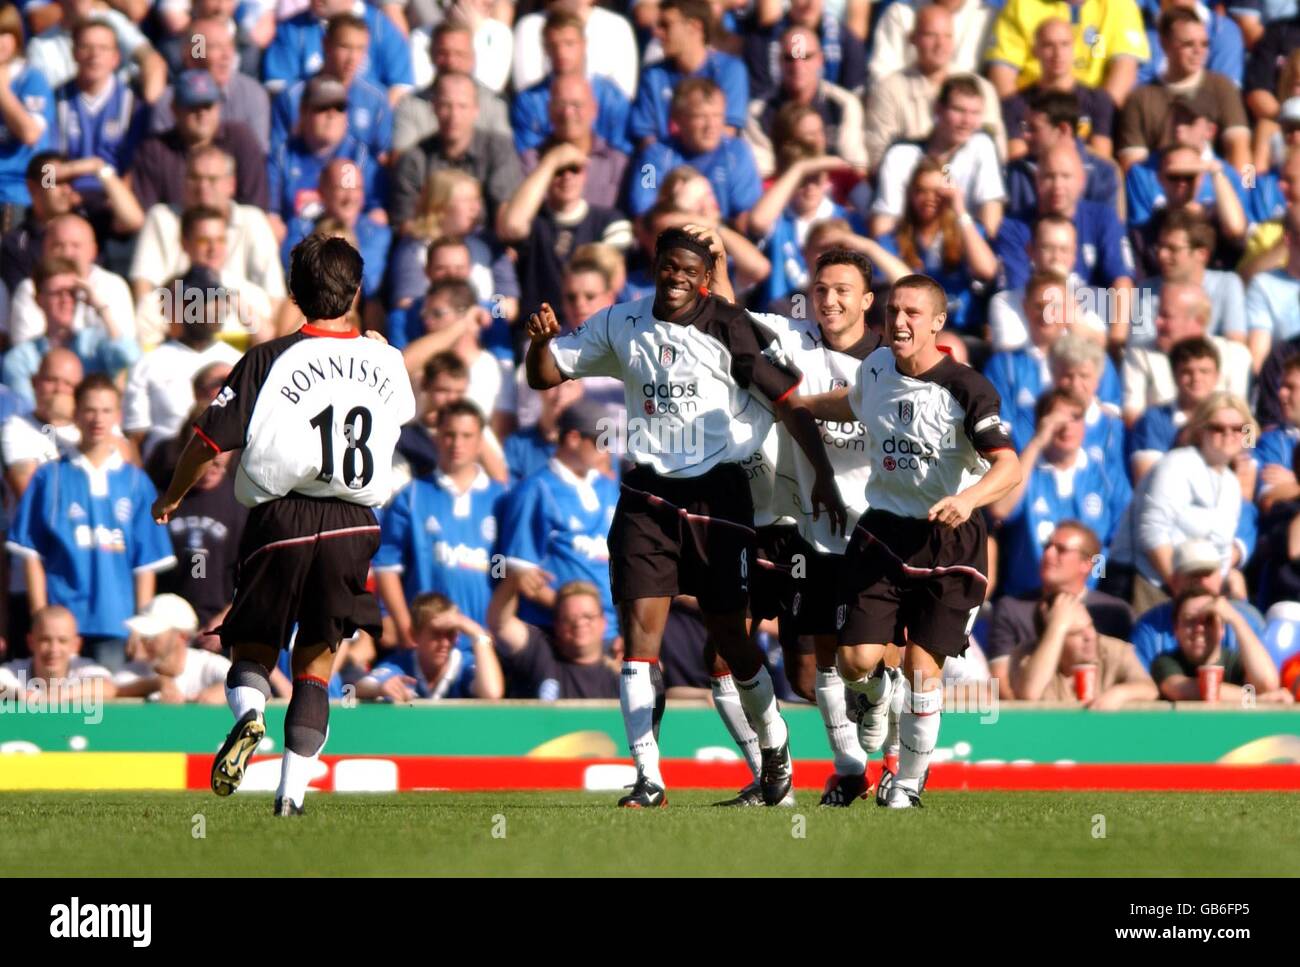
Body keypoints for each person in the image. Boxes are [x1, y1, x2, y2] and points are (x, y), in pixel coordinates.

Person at [524, 227, 846, 808]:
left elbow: (788, 402)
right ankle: (649, 779)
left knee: (729, 641)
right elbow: (545, 374)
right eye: (666, 266)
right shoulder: (621, 322)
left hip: (719, 498)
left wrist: (821, 475)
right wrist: (538, 346)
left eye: (687, 271)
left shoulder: (730, 327)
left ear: (703, 280)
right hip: (647, 497)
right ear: (654, 266)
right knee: (638, 640)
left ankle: (774, 742)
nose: (674, 277)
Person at [150, 234, 417, 817]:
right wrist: (379, 349)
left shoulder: (267, 359)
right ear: (357, 290)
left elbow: (206, 440)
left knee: (252, 649)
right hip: (354, 522)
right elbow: (398, 410)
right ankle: (290, 798)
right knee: (317, 664)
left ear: (294, 293)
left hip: (282, 515)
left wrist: (172, 496)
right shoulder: (386, 360)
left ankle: (250, 717)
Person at [791, 273, 1021, 808]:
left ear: (937, 323)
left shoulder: (968, 388)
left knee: (923, 667)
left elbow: (1008, 467)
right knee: (854, 663)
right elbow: (853, 404)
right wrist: (798, 405)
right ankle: (881, 694)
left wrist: (968, 499)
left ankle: (909, 784)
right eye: (894, 310)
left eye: (913, 313)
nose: (899, 322)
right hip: (885, 534)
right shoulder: (875, 368)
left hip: (950, 541)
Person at [8, 374, 176, 670]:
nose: (98, 419)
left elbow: (145, 563)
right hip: (62, 629)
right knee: (60, 710)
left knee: (107, 710)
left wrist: (139, 625)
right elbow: (31, 553)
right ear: (75, 414)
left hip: (116, 624)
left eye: (106, 410)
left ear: (118, 416)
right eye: (89, 410)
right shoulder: (50, 477)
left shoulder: (136, 483)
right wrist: (40, 616)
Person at [1108, 392, 1257, 610]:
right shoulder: (1176, 464)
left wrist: (1208, 594)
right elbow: (1152, 534)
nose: (1229, 434)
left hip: (1187, 589)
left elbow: (1222, 551)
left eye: (1238, 428)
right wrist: (1184, 591)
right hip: (1139, 582)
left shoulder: (1231, 484)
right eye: (1217, 428)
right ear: (1200, 430)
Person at [374, 399, 507, 642]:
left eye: (467, 436)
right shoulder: (412, 495)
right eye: (449, 435)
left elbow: (509, 572)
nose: (457, 443)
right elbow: (386, 566)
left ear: (480, 442)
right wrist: (405, 628)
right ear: (436, 438)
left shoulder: (502, 499)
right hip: (427, 643)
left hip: (484, 641)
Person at [989, 388, 1131, 598]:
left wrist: (1093, 580)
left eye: (1075, 418)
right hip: (1025, 597)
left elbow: (1113, 542)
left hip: (1084, 600)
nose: (1067, 428)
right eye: (1057, 420)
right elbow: (1000, 510)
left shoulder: (1107, 478)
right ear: (1040, 424)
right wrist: (1037, 442)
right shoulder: (1026, 470)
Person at [496, 400, 619, 638]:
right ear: (573, 439)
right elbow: (521, 575)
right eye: (601, 441)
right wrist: (578, 618)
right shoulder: (535, 490)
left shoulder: (608, 488)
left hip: (609, 632)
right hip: (557, 633)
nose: (608, 450)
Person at [985, 520, 1134, 698]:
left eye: (1061, 550)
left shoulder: (1114, 612)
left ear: (1087, 564)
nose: (1048, 554)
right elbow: (1002, 684)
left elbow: (1133, 677)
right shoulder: (1011, 608)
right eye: (1047, 546)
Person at [863, 5, 1005, 173]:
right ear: (913, 38)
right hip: (910, 185)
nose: (940, 44)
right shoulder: (889, 89)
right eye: (931, 35)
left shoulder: (982, 89)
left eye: (947, 36)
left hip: (968, 183)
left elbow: (996, 152)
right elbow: (879, 154)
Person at [121, 266, 244, 459]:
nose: (211, 308)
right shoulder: (148, 364)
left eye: (216, 299)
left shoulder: (239, 362)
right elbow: (135, 438)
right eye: (201, 301)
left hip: (224, 475)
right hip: (164, 474)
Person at [869, 74, 1006, 238]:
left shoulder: (982, 146)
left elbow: (991, 215)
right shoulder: (901, 155)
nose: (967, 121)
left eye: (975, 113)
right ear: (938, 109)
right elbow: (884, 223)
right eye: (959, 110)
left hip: (963, 250)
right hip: (910, 249)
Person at [1115, 8, 1250, 173]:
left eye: (1205, 44)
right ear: (1165, 44)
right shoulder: (1140, 99)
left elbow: (1242, 154)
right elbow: (1134, 170)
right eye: (1188, 44)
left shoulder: (1223, 88)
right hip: (1159, 190)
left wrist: (1247, 190)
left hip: (1216, 188)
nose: (1199, 51)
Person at [626, 77, 763, 229]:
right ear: (678, 119)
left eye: (717, 115)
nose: (710, 125)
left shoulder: (738, 154)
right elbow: (644, 213)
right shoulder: (653, 158)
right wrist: (699, 222)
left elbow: (745, 221)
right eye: (700, 116)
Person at [3, 256, 139, 405]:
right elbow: (26, 407)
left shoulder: (93, 343)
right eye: (57, 293)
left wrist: (101, 308)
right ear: (39, 299)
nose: (66, 299)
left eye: (72, 293)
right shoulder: (21, 358)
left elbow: (129, 357)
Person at [128, 68, 268, 211]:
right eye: (193, 107)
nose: (202, 113)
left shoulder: (241, 139)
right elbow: (148, 212)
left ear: (218, 107)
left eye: (208, 106)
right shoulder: (155, 150)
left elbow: (254, 206)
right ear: (174, 110)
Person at [270, 14, 393, 161]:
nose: (352, 58)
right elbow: (277, 154)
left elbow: (382, 157)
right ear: (326, 44)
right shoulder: (292, 97)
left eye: (360, 49)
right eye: (345, 47)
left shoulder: (376, 100)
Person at [1129, 538, 1266, 669]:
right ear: (1175, 580)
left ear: (1220, 578)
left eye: (1207, 574)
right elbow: (1142, 686)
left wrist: (1236, 621)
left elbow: (1265, 684)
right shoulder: (1150, 627)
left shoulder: (1247, 620)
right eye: (1193, 574)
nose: (1201, 582)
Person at [985, 0, 1149, 109]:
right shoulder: (1021, 5)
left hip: (1093, 111)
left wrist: (1099, 119)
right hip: (1032, 108)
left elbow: (1124, 70)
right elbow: (1002, 74)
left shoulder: (1120, 5)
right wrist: (1021, 118)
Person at [1010, 591, 1156, 707]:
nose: (1090, 636)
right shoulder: (1026, 655)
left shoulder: (1114, 650)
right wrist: (1057, 627)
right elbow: (1029, 693)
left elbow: (1150, 689)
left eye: (1090, 625)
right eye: (1076, 633)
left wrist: (1119, 693)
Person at [1000, 17, 1116, 161]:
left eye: (1064, 44)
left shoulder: (1098, 100)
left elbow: (1101, 157)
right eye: (1048, 45)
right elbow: (1017, 158)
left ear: (1074, 48)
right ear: (1035, 51)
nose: (1058, 54)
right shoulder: (1016, 104)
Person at [356, 591, 503, 701]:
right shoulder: (401, 663)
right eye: (436, 634)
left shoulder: (465, 663)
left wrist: (476, 633)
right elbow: (360, 688)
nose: (444, 643)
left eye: (451, 633)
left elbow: (491, 693)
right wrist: (380, 688)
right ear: (414, 635)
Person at [1152, 590, 1293, 702]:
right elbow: (1181, 690)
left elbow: (1268, 685)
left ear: (1222, 629)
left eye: (1208, 620)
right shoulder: (1165, 661)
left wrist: (1235, 619)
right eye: (1190, 621)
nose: (1199, 628)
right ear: (1176, 630)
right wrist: (1254, 700)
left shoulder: (1234, 660)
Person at [491, 578, 621, 699]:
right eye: (569, 618)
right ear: (557, 624)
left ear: (603, 622)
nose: (579, 624)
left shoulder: (619, 679)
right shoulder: (539, 649)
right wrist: (514, 580)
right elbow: (500, 624)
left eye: (588, 617)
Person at [262, 0, 413, 103]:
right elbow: (277, 87)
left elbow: (401, 87)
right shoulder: (292, 29)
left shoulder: (382, 28)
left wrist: (373, 118)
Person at [1127, 336, 1224, 481]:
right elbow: (1146, 480)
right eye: (1187, 372)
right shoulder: (1152, 420)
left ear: (1217, 376)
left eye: (1204, 371)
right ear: (1174, 375)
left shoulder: (1237, 416)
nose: (1196, 378)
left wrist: (1243, 451)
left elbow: (1247, 456)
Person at [114, 593, 230, 703]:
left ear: (182, 637)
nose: (145, 640)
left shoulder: (208, 664)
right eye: (144, 634)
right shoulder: (132, 670)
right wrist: (157, 684)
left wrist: (224, 691)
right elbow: (113, 689)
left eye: (154, 634)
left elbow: (243, 681)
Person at [0, 604, 114, 700]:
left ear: (76, 645)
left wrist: (58, 696)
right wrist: (23, 696)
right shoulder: (15, 671)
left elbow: (108, 687)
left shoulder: (82, 668)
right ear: (31, 642)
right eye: (45, 640)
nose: (53, 649)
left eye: (62, 641)